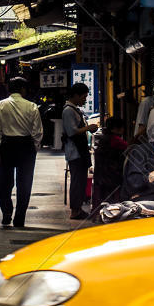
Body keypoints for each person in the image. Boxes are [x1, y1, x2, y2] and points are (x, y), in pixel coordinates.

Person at [0, 76, 43, 230]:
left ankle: (7, 213)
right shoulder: (32, 106)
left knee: (4, 183)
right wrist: (34, 147)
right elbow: (37, 132)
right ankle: (19, 218)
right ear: (22, 89)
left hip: (6, 146)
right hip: (26, 146)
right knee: (25, 183)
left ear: (9, 89)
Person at [60, 82, 96, 221]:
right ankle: (75, 211)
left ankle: (78, 208)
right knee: (77, 181)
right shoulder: (68, 110)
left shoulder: (74, 109)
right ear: (76, 95)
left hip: (79, 152)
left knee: (80, 181)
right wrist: (88, 128)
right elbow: (72, 131)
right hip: (75, 152)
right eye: (84, 96)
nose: (85, 100)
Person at [89, 116, 130, 218]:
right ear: (116, 129)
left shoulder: (104, 137)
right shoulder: (115, 140)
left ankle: (98, 213)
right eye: (121, 128)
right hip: (111, 174)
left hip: (101, 173)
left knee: (101, 194)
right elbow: (129, 147)